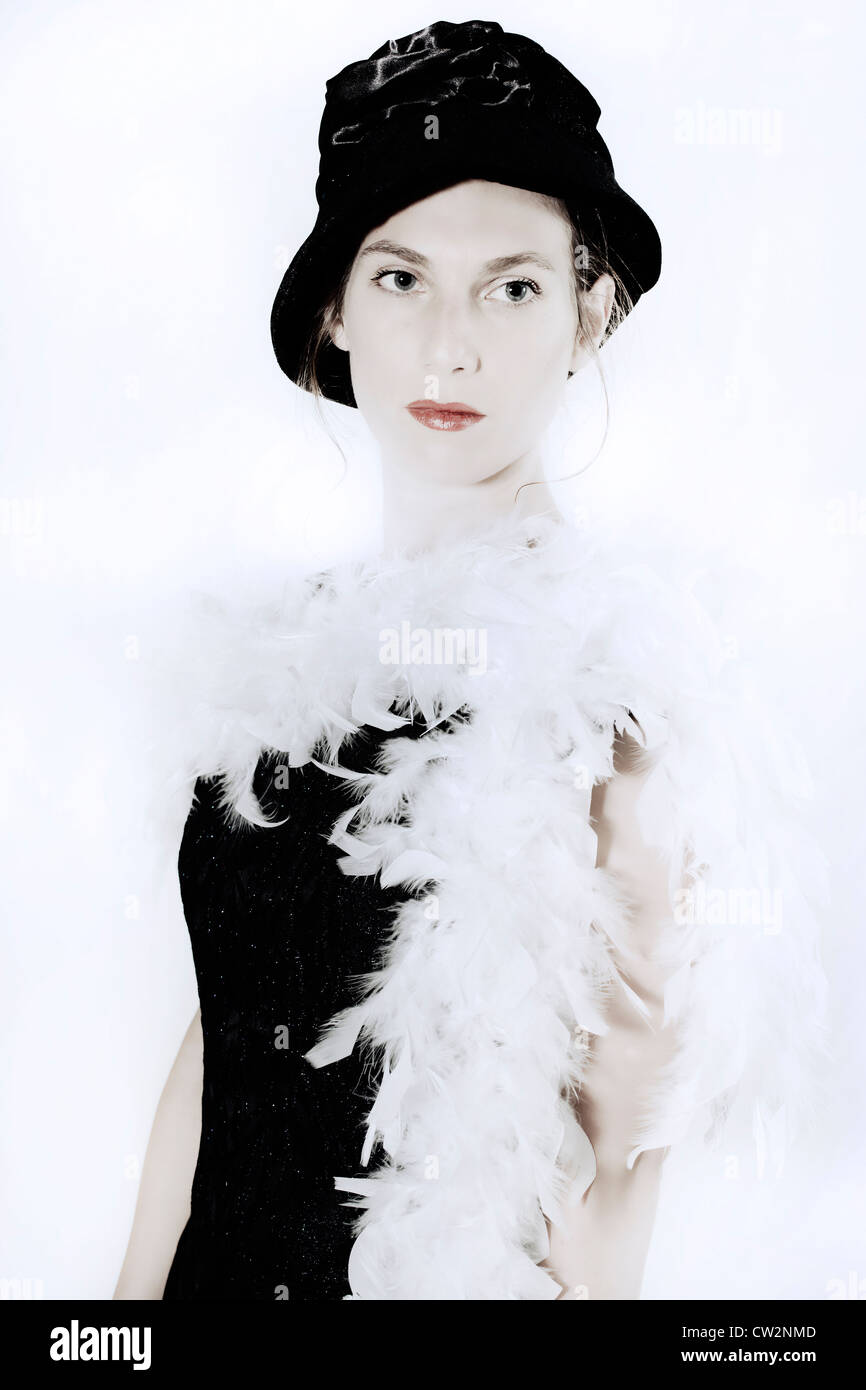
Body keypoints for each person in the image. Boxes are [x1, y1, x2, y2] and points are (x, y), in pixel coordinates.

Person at [113, 19, 829, 1302]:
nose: (452, 345)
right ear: (333, 309)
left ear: (587, 312)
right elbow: (220, 1046)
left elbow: (600, 1226)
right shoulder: (280, 666)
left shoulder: (617, 703)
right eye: (399, 279)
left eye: (512, 286)